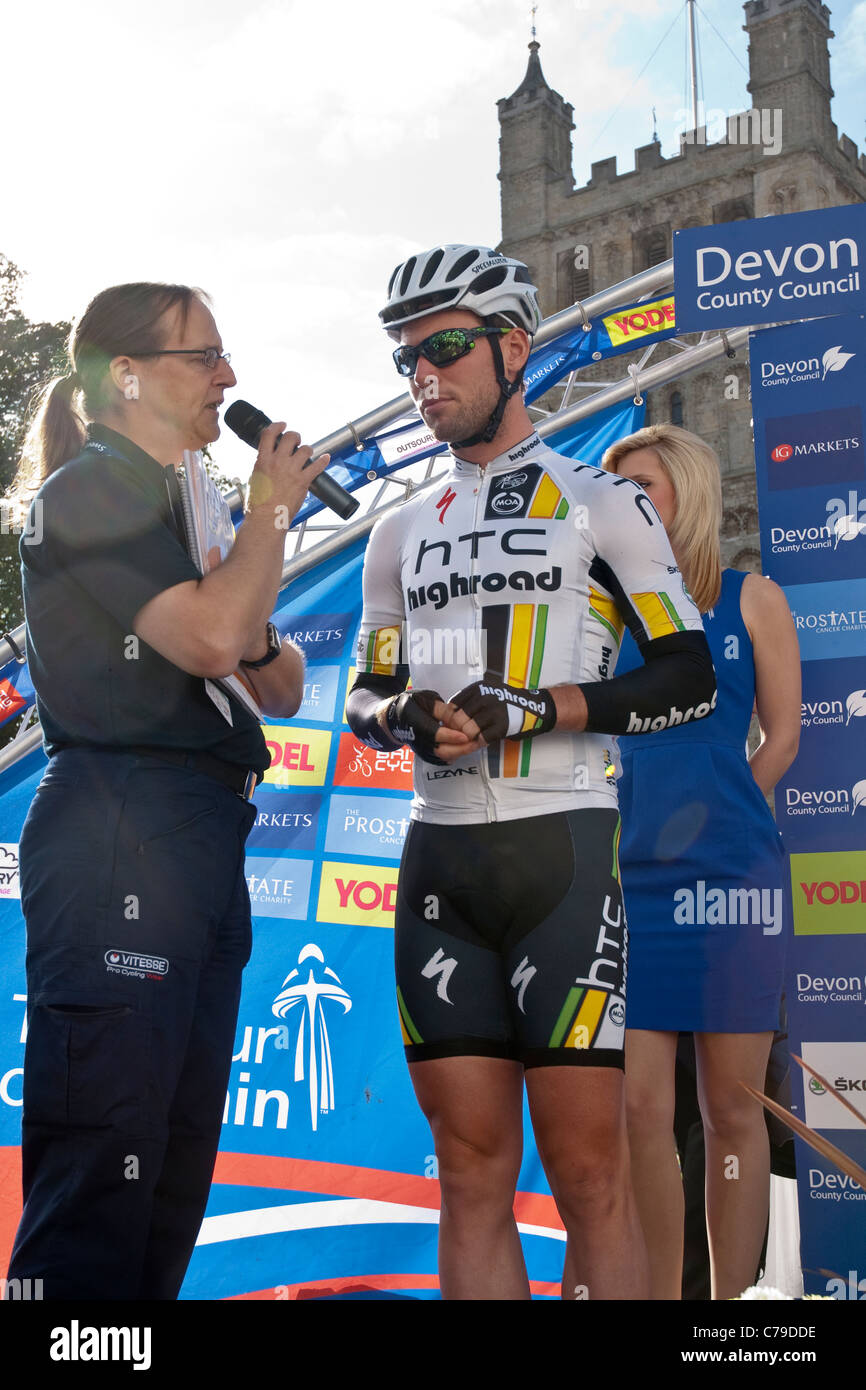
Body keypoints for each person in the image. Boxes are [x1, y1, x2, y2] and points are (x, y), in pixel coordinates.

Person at [346, 244, 717, 1300]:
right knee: (467, 1172)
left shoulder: (603, 504)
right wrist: (405, 711)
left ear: (514, 347)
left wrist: (542, 706)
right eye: (406, 359)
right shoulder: (397, 533)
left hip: (560, 848)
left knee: (587, 1174)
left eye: (446, 348)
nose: (425, 376)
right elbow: (362, 698)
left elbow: (687, 677)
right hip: (439, 862)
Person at [5, 281, 327, 1299]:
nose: (229, 380)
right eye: (206, 356)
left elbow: (275, 678)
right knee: (105, 1156)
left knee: (171, 1159)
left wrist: (242, 558)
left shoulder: (183, 507)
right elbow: (211, 638)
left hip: (196, 837)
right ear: (127, 376)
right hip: (121, 828)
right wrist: (267, 522)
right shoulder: (93, 488)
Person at [601, 423, 800, 1301]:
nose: (628, 503)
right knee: (636, 1111)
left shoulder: (753, 598)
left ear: (688, 489)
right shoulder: (605, 608)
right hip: (624, 877)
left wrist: (729, 814)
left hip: (732, 884)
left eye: (645, 485)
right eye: (618, 491)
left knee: (731, 1113)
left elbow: (785, 734)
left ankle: (729, 1318)